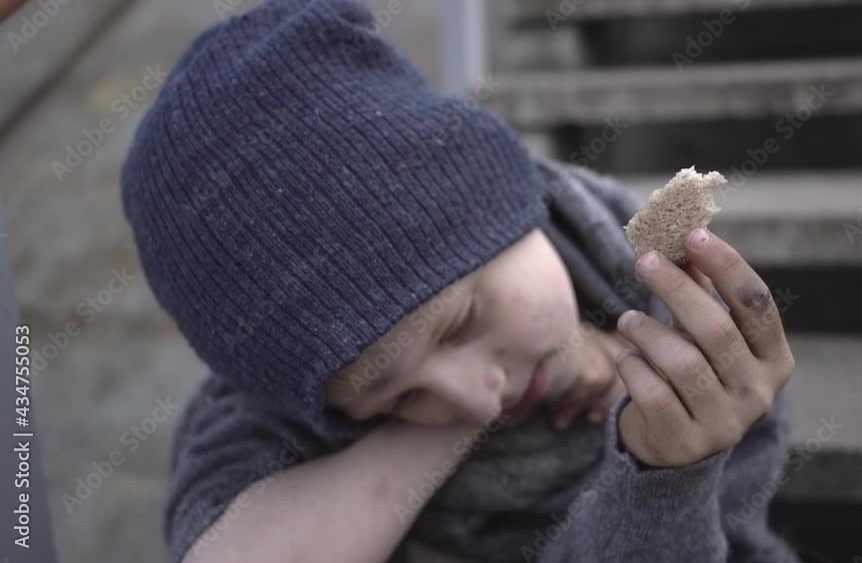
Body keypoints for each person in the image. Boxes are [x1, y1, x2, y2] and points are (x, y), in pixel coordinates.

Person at [120, 1, 799, 561]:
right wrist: (435, 435)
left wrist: (674, 464)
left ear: (510, 203)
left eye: (459, 321)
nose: (477, 396)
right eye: (394, 396)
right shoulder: (272, 411)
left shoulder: (633, 260)